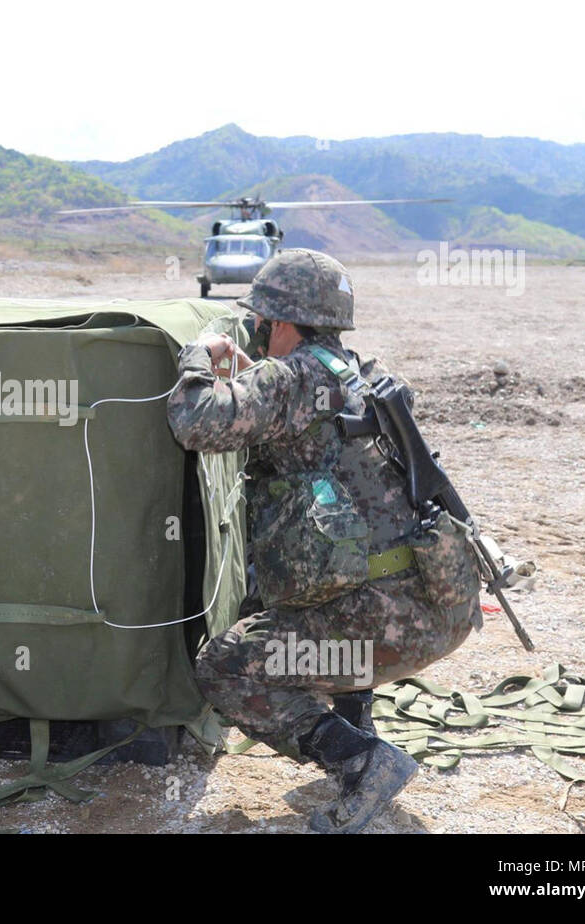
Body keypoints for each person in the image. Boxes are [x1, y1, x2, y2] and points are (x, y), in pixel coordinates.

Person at [167, 248, 482, 833]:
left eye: (261, 322)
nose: (258, 334)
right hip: (435, 609)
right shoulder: (360, 374)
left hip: (378, 627)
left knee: (225, 667)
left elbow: (192, 422)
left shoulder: (290, 377)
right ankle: (360, 729)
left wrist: (201, 355)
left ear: (280, 323)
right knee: (303, 599)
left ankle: (360, 762)